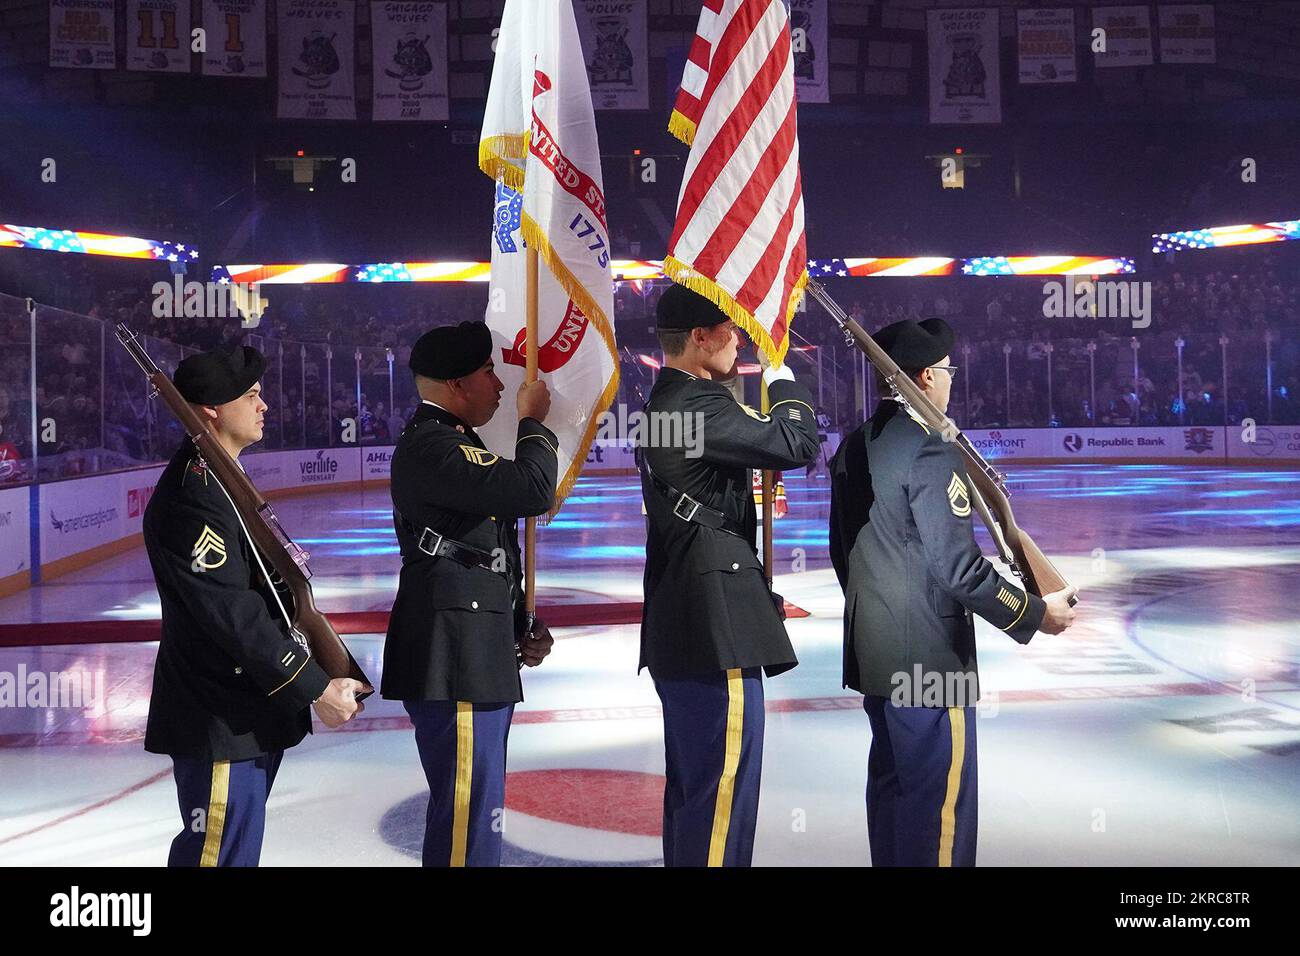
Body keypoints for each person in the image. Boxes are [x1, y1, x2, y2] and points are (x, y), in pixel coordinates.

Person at [829, 317, 1076, 867]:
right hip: (933, 664)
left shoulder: (851, 448)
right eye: (946, 371)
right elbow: (960, 570)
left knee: (895, 796)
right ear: (924, 377)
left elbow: (842, 555)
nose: (950, 380)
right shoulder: (930, 452)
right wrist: (1034, 614)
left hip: (878, 654)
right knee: (940, 811)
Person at [143, 345, 367, 868]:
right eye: (251, 395)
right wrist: (313, 686)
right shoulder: (191, 495)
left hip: (247, 709)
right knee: (216, 856)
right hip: (220, 715)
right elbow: (232, 613)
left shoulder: (223, 480)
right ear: (210, 411)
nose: (264, 405)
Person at [637, 285, 821, 867]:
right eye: (730, 329)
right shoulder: (694, 405)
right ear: (699, 337)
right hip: (716, 624)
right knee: (720, 796)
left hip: (691, 614)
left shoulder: (672, 401)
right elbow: (797, 444)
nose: (738, 339)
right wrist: (783, 378)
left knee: (699, 792)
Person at [381, 320, 558, 867]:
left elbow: (482, 549)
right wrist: (533, 423)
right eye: (488, 372)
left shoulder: (453, 442)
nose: (500, 385)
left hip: (471, 645)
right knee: (467, 812)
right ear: (457, 385)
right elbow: (532, 490)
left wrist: (517, 623)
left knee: (476, 810)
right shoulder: (434, 447)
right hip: (452, 652)